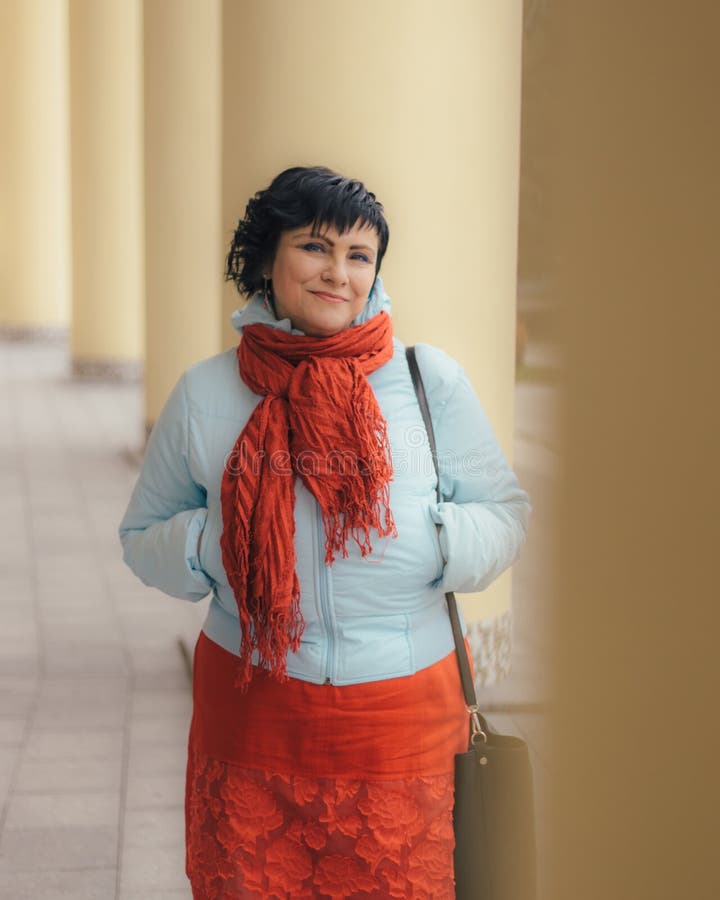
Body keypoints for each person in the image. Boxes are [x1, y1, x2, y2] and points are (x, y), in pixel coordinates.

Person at [118, 165, 531, 899]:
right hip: (253, 713)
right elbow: (142, 533)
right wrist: (217, 548)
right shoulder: (206, 393)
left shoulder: (428, 382)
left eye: (360, 255)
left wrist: (435, 543)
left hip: (404, 714)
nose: (339, 273)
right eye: (316, 247)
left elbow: (503, 512)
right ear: (267, 257)